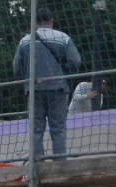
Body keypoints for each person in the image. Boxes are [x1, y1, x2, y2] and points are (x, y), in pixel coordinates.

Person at [12, 8, 81, 158]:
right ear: (52, 20)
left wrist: (27, 78)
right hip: (58, 88)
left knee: (36, 129)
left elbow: (16, 68)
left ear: (35, 22)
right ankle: (60, 165)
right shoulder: (63, 37)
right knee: (58, 128)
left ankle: (37, 165)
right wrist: (63, 72)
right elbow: (75, 61)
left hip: (34, 90)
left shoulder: (25, 41)